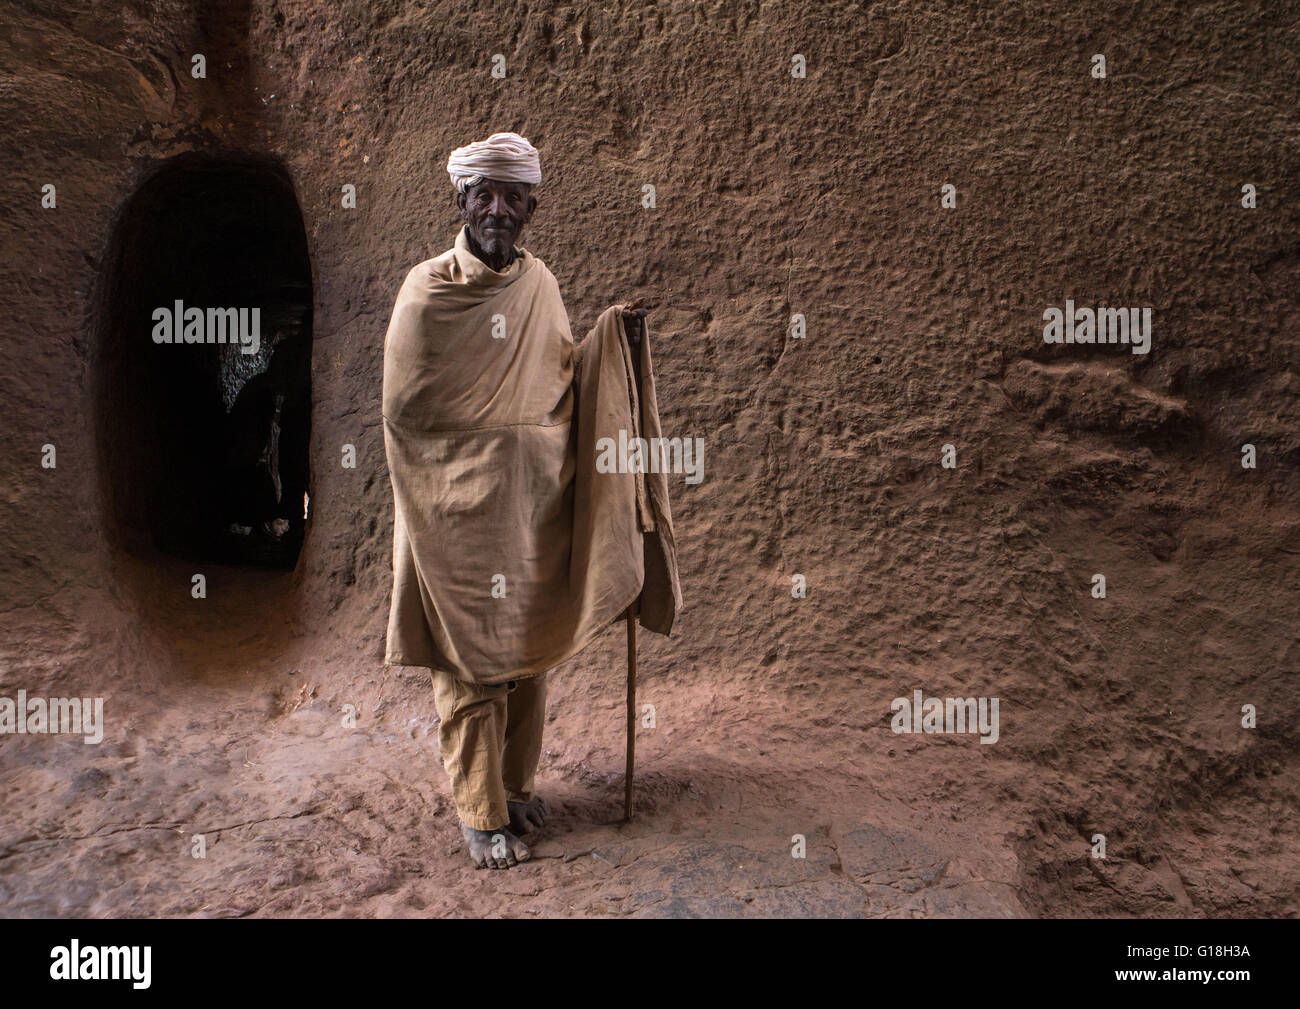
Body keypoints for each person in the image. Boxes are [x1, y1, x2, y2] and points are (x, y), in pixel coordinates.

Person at [381, 132, 681, 869]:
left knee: (527, 652)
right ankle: (479, 813)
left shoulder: (540, 286)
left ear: (531, 207)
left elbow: (563, 379)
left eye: (512, 196)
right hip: (454, 518)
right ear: (461, 200)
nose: (497, 208)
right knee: (470, 659)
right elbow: (405, 413)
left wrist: (615, 337)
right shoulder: (428, 291)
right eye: (483, 193)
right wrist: (477, 453)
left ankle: (512, 788)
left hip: (530, 512)